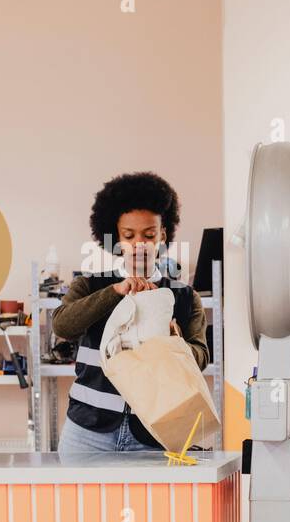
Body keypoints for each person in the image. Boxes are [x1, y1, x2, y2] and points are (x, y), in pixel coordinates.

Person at [53, 172, 209, 453]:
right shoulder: (90, 285)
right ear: (116, 238)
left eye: (149, 235)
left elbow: (201, 357)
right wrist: (114, 291)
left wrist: (176, 344)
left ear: (162, 235)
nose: (139, 244)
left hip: (155, 434)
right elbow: (63, 326)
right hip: (87, 434)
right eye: (128, 235)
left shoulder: (185, 297)